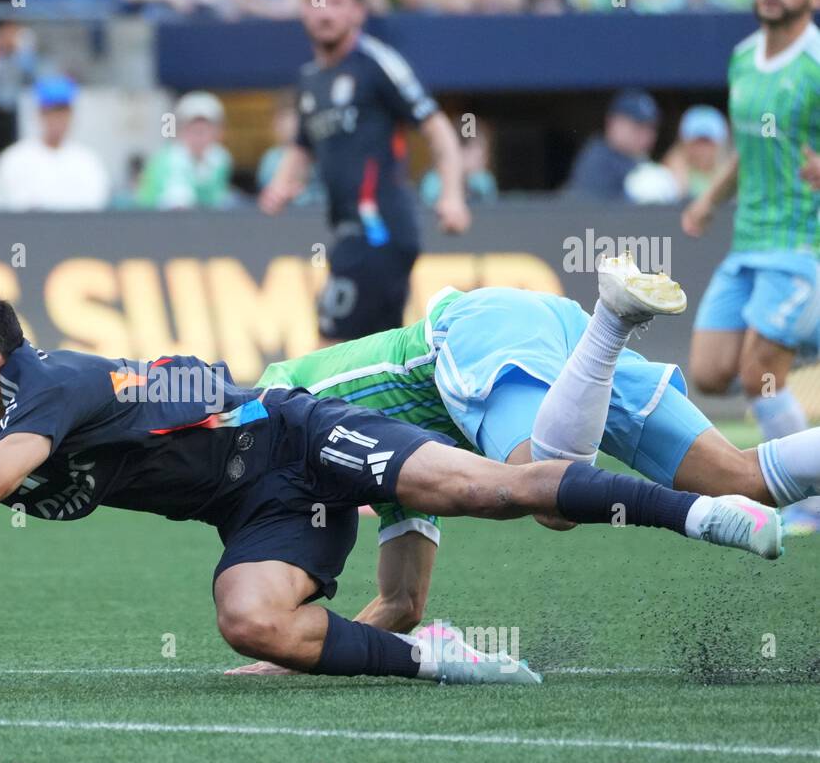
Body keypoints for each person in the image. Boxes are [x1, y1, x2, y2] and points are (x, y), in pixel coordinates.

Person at [0, 286, 781, 699]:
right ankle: (436, 659)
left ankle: (708, 512)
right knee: (249, 621)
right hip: (259, 508)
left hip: (293, 426)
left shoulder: (48, 386)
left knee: (492, 488)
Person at [229, 260, 818, 672]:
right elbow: (402, 604)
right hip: (550, 328)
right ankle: (605, 328)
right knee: (745, 480)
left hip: (479, 333)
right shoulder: (381, 467)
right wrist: (297, 655)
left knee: (546, 488)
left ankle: (613, 321)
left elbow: (247, 429)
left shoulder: (283, 408)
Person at [260, 0, 469, 343]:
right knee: (374, 363)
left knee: (327, 354)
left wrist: (452, 196)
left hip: (379, 231)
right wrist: (281, 184)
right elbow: (303, 146)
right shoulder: (310, 80)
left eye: (337, 3)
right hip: (349, 233)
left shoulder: (377, 64)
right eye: (316, 2)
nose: (325, 14)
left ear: (358, 10)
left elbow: (438, 128)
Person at [683, 0, 820, 535]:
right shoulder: (742, 57)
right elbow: (746, 147)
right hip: (748, 242)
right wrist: (710, 198)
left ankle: (810, 502)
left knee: (758, 373)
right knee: (710, 373)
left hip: (800, 244)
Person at [0, 75, 109, 211]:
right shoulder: (15, 159)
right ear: (39, 113)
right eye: (52, 112)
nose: (58, 119)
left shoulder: (87, 161)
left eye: (63, 112)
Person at [136, 91, 234, 210]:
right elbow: (177, 205)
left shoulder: (221, 159)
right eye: (193, 130)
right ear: (181, 131)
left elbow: (217, 199)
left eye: (205, 130)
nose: (199, 137)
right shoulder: (167, 160)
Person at [564, 89, 660, 201]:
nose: (647, 135)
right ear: (613, 123)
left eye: (651, 128)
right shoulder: (597, 160)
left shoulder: (638, 160)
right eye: (638, 127)